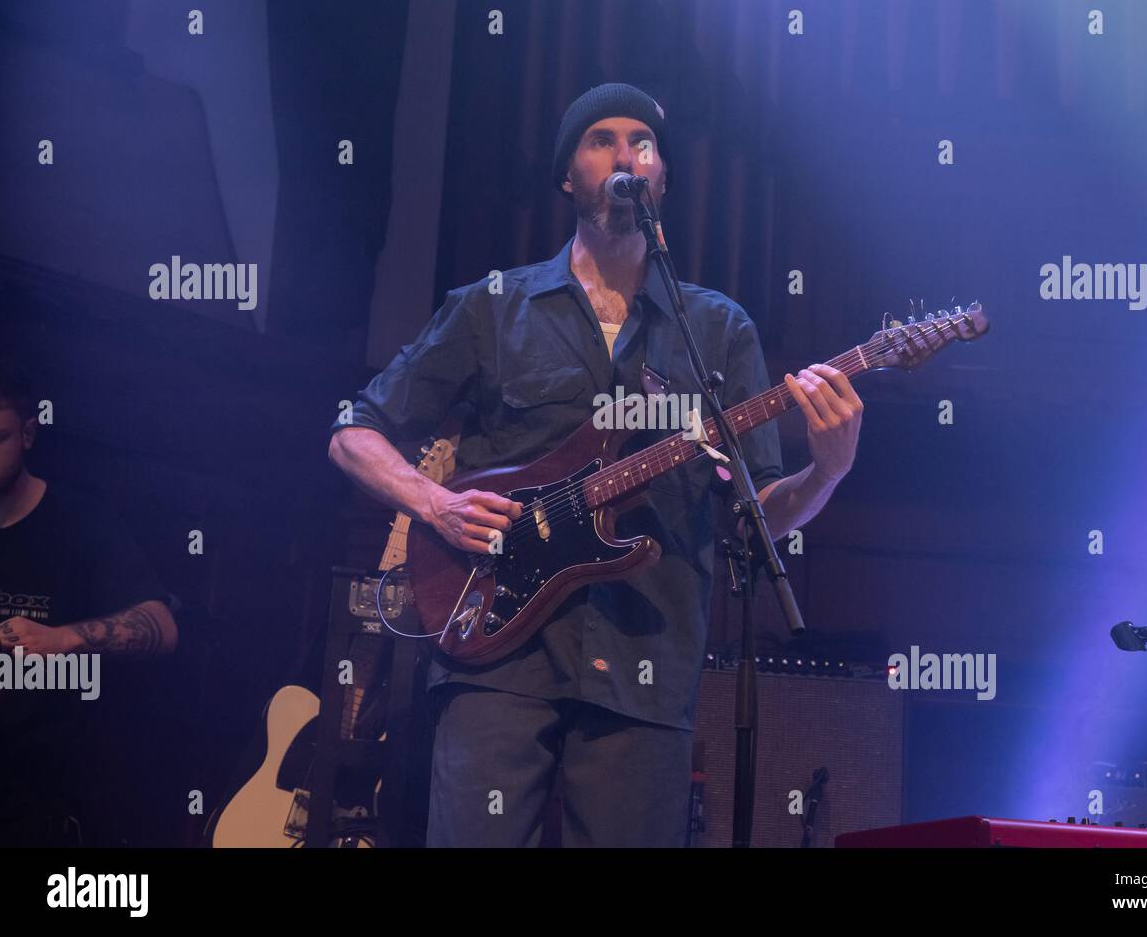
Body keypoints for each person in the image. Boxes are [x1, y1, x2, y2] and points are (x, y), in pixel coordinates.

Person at [328, 83, 863, 847]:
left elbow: (757, 513)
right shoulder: (493, 307)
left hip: (644, 668)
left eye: (642, 142)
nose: (625, 155)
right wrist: (433, 502)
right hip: (495, 653)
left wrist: (829, 471)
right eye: (601, 139)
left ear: (663, 179)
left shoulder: (716, 332)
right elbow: (354, 430)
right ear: (568, 176)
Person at [0, 360, 179, 845]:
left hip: (41, 805)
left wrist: (60, 639)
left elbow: (161, 627)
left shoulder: (80, 523)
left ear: (29, 434)